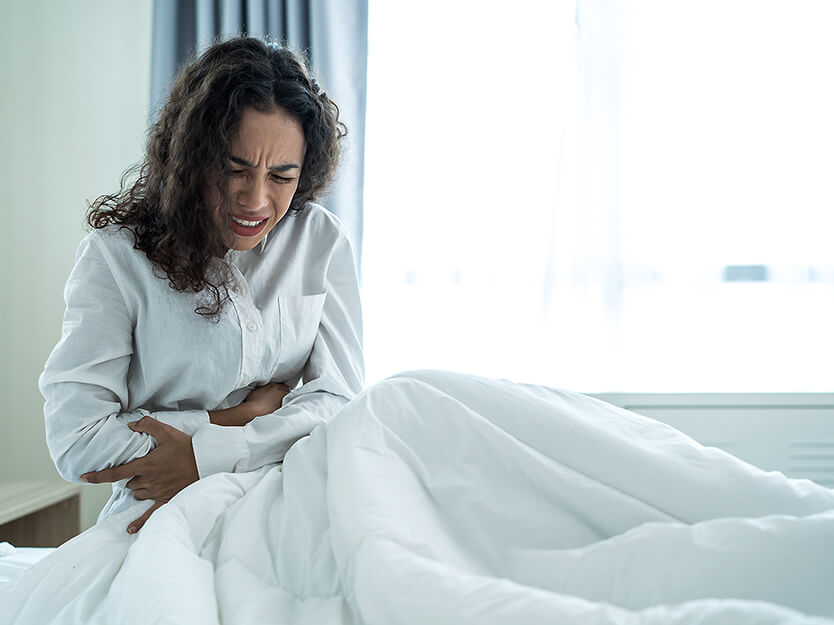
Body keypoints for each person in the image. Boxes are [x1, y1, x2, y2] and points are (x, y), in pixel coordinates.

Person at [38, 36, 364, 535]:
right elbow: (76, 439)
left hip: (290, 499)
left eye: (281, 176)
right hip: (160, 509)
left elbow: (339, 402)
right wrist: (243, 417)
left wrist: (205, 453)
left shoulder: (319, 240)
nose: (256, 200)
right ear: (192, 156)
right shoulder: (117, 258)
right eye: (235, 169)